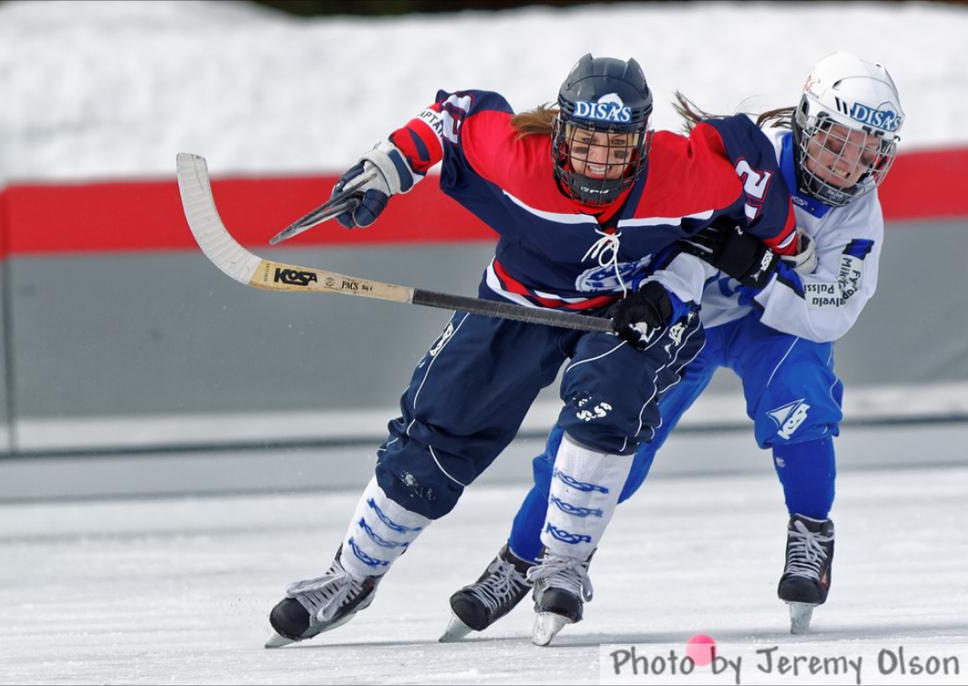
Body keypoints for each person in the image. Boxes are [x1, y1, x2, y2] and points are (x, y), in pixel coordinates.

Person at [264, 53, 797, 648]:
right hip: (519, 302)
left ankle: (565, 563)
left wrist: (732, 258)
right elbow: (450, 115)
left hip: (625, 315)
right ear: (561, 132)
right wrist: (389, 166)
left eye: (617, 148)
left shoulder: (688, 172)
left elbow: (761, 207)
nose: (598, 163)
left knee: (607, 405)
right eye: (587, 143)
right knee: (442, 422)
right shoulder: (516, 156)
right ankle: (352, 575)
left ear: (643, 145)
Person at [443, 51, 904, 643]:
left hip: (774, 325)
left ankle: (812, 527)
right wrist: (660, 295)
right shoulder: (751, 157)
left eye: (867, 151)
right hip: (689, 313)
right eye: (836, 142)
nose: (846, 165)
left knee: (800, 397)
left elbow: (831, 313)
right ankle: (520, 556)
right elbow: (676, 227)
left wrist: (762, 274)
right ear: (806, 122)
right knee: (610, 437)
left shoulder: (861, 217)